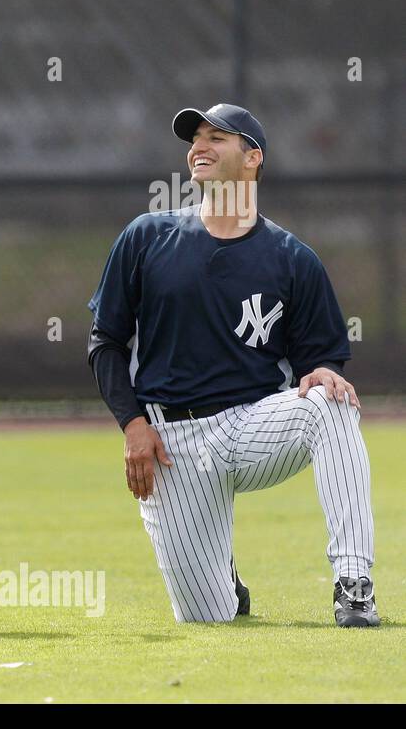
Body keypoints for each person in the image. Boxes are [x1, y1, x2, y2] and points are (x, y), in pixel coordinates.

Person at [87, 103, 379, 626]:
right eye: (194, 137)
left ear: (252, 159)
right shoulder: (148, 237)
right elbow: (105, 340)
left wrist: (324, 372)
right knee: (209, 617)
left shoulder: (292, 258)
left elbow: (320, 360)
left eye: (216, 137)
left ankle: (353, 583)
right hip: (170, 441)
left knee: (332, 404)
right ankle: (225, 576)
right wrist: (133, 424)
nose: (199, 146)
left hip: (251, 425)